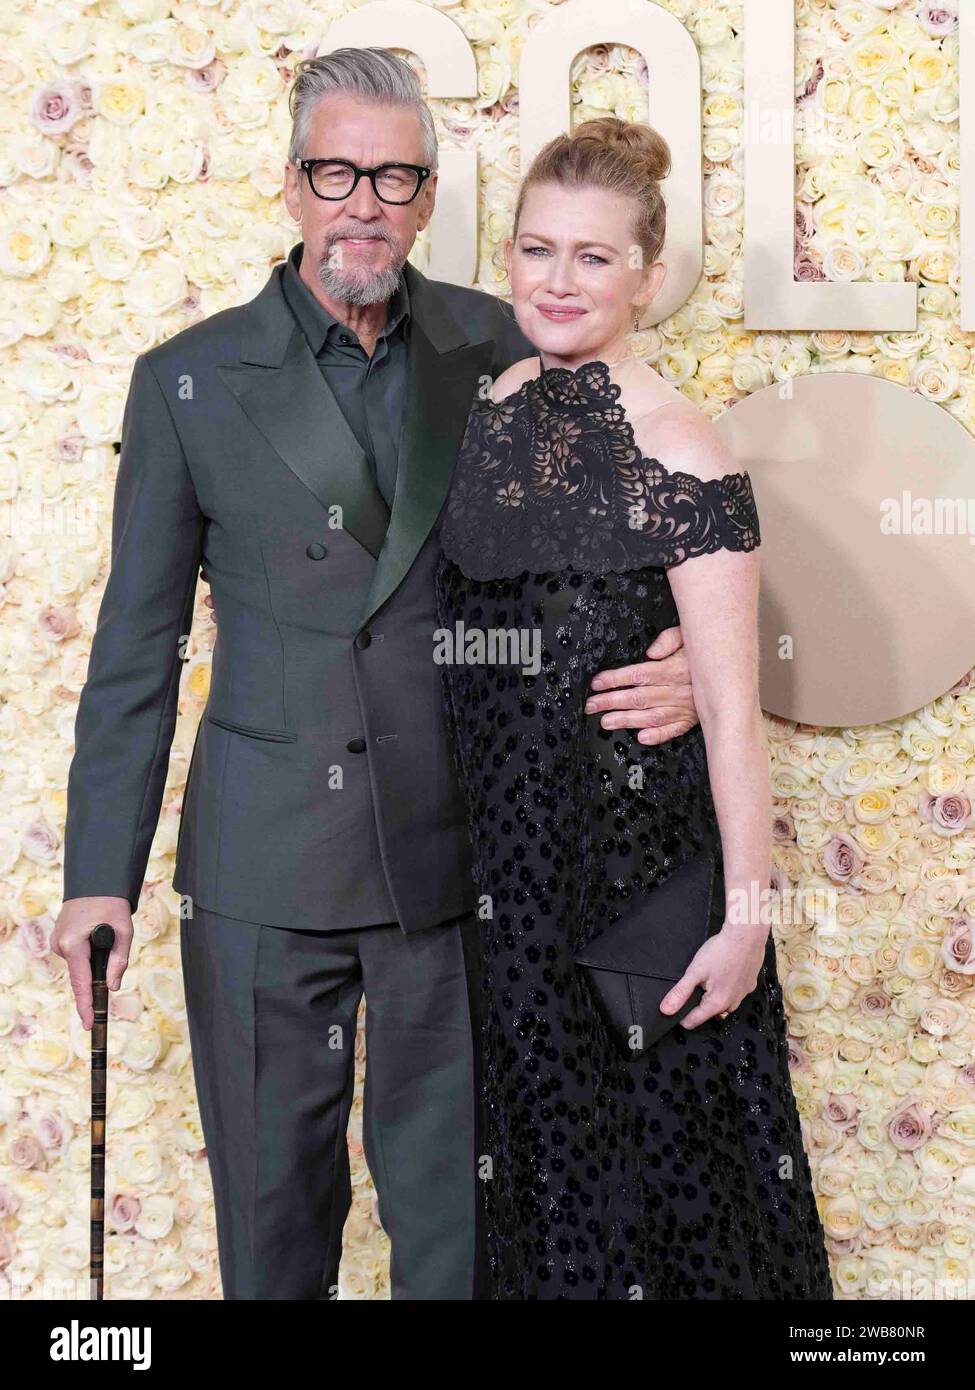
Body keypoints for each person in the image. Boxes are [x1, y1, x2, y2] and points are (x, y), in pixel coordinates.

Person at [52, 49, 702, 1301]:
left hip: (451, 866)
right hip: (259, 871)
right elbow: (136, 644)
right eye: (337, 171)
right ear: (292, 183)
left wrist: (686, 665)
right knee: (273, 1222)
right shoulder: (189, 377)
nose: (365, 202)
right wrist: (99, 880)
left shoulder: (507, 341)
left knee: (458, 1235)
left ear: (426, 191)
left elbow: (662, 518)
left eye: (394, 176)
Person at [435, 117, 835, 1299]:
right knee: (545, 1196)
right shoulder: (495, 402)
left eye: (594, 257)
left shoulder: (685, 454)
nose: (559, 281)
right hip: (509, 889)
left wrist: (747, 921)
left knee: (662, 1206)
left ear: (648, 277)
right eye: (537, 249)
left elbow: (729, 708)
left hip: (632, 887)